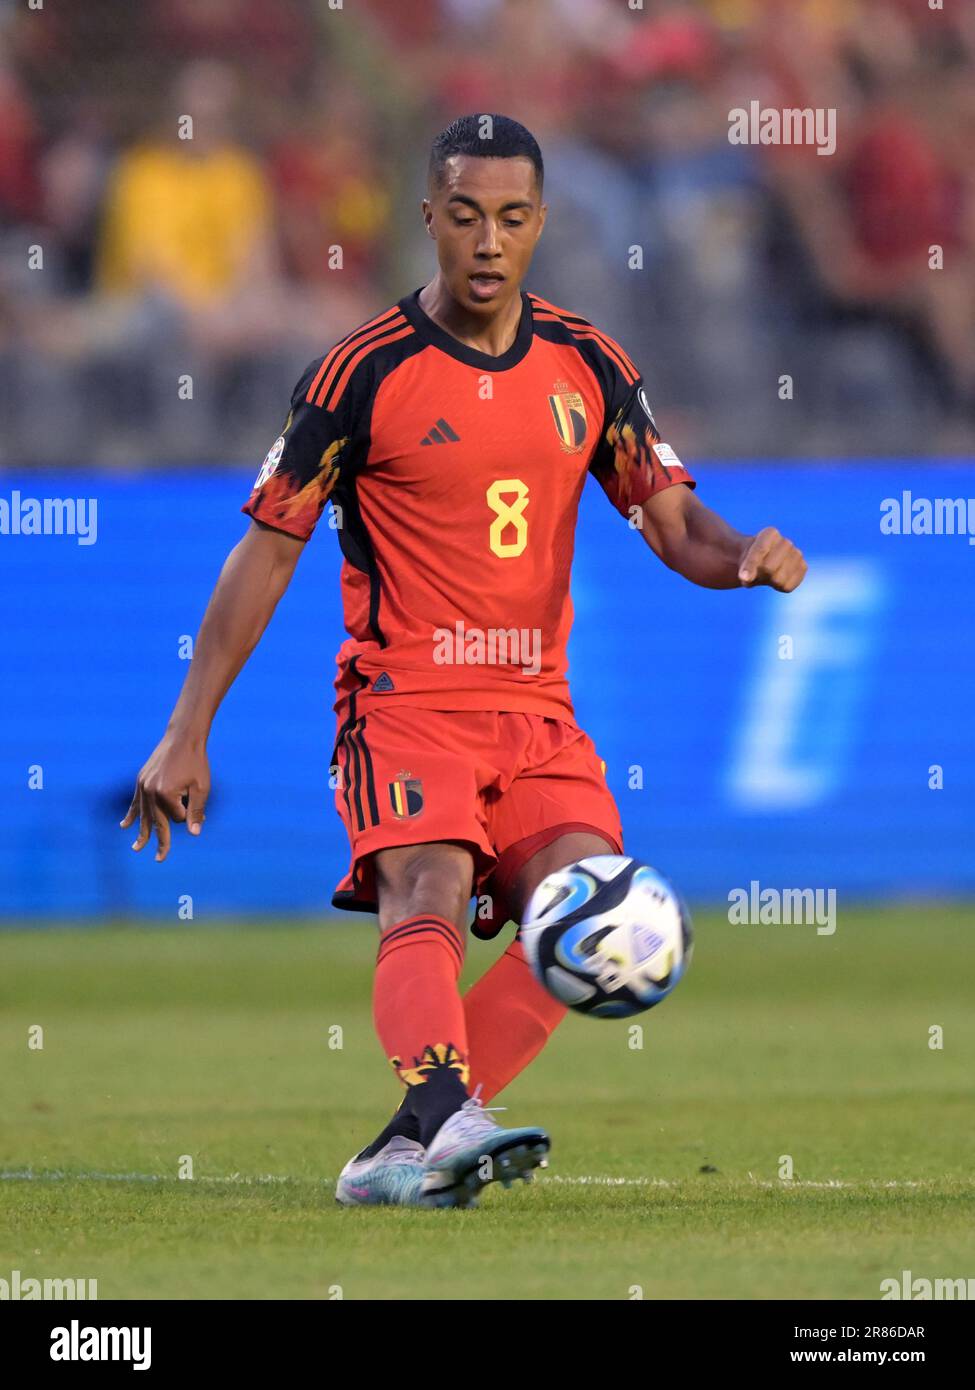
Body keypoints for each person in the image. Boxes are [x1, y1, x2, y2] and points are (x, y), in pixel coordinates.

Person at [122, 114, 806, 1210]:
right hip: (405, 703)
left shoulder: (587, 364)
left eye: (514, 218)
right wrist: (187, 725)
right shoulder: (360, 373)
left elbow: (676, 525)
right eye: (468, 216)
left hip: (535, 712)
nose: (490, 241)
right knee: (428, 887)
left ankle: (411, 1139)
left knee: (600, 911)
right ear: (430, 219)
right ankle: (442, 1122)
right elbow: (266, 552)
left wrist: (745, 558)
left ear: (540, 224)